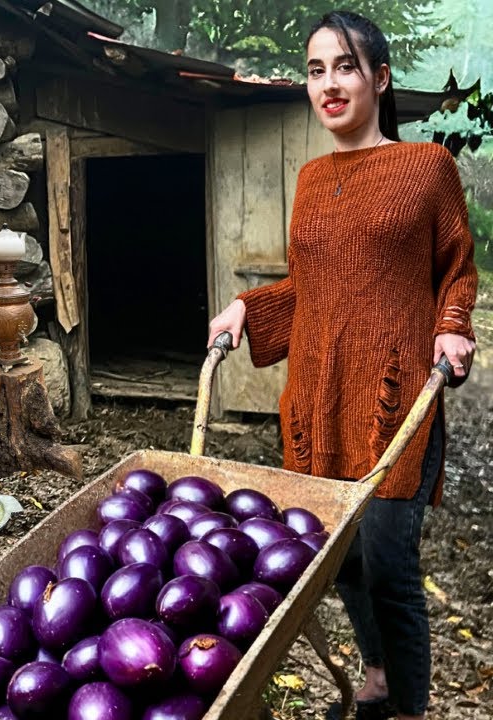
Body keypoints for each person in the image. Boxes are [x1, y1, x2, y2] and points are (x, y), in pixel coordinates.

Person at [208, 11, 477, 720]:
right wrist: (248, 309)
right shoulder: (311, 177)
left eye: (346, 67)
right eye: (316, 69)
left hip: (395, 401)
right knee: (340, 560)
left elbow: (457, 269)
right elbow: (312, 286)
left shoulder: (427, 168)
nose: (329, 84)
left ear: (379, 79)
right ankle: (379, 674)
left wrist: (453, 330)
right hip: (319, 397)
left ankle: (411, 709)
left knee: (389, 565)